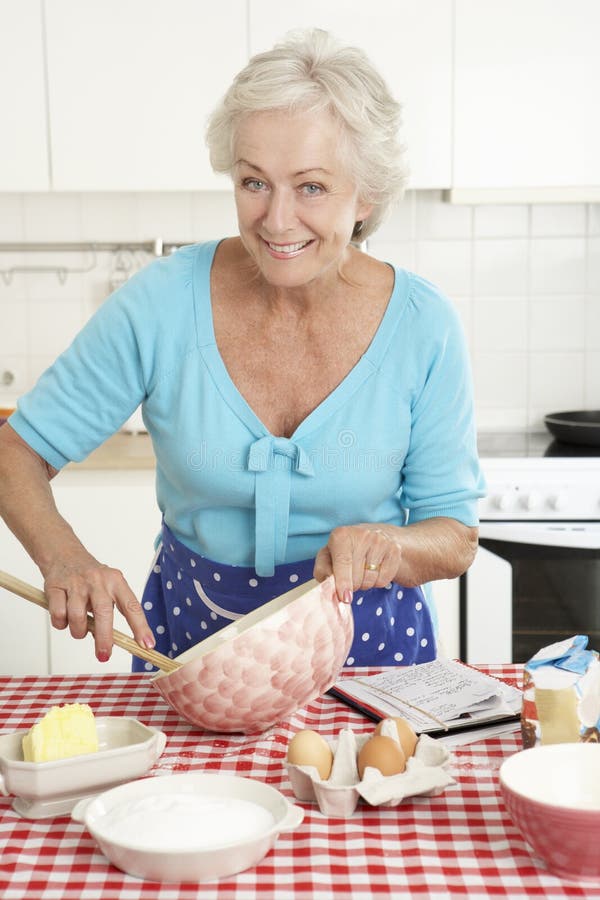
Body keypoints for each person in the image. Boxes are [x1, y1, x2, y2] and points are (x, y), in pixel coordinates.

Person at [0, 29, 484, 672]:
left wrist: (390, 545)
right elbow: (17, 454)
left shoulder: (424, 325)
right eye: (255, 182)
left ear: (365, 194)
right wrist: (65, 558)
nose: (277, 220)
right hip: (195, 656)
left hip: (374, 666)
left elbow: (454, 538)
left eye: (311, 187)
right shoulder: (162, 302)